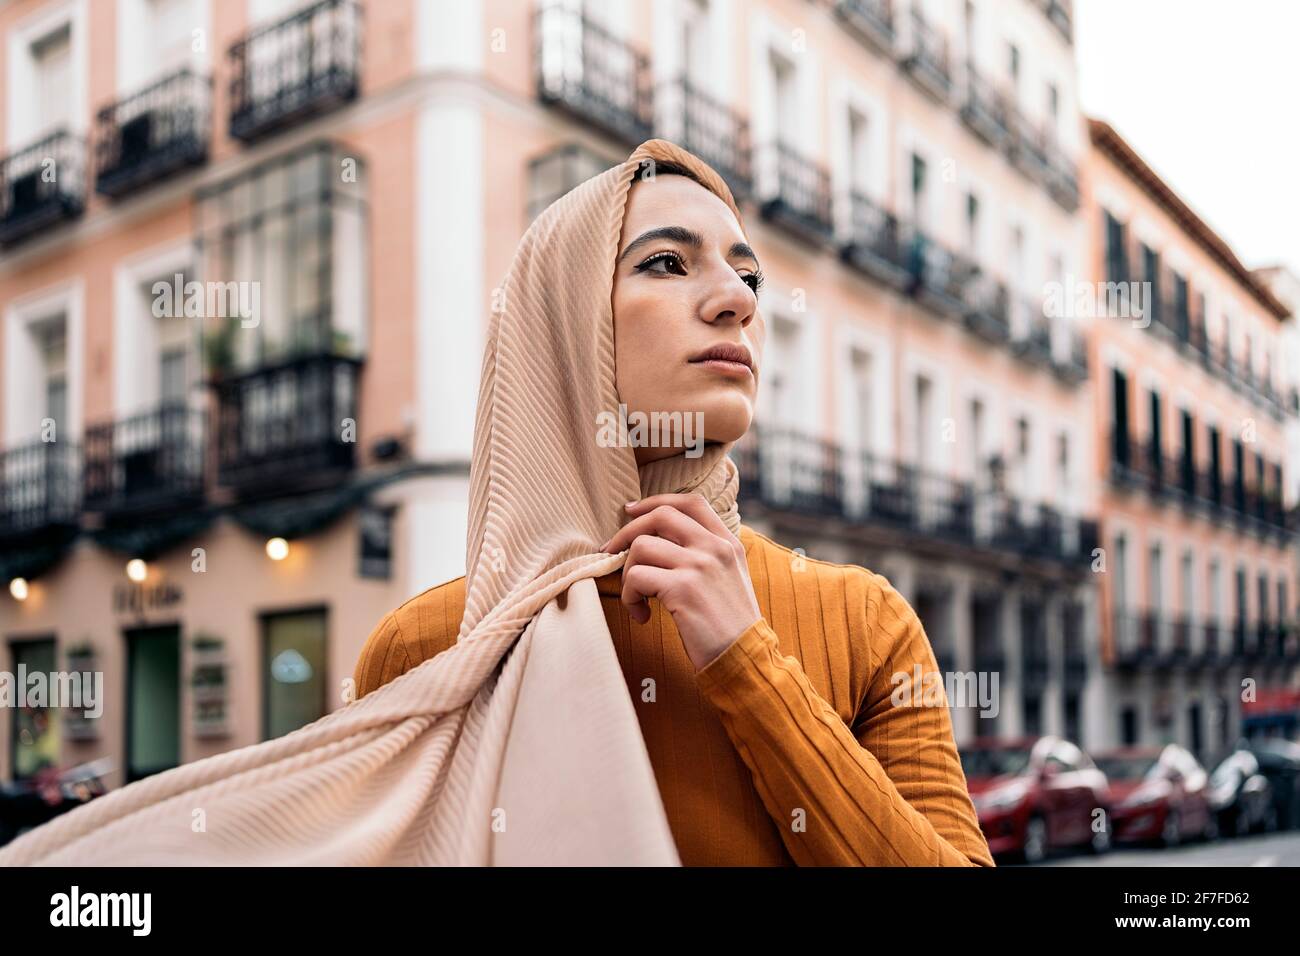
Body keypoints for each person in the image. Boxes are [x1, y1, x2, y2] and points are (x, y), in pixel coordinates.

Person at [354, 140, 994, 867]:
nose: (739, 300)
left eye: (748, 276)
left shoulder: (865, 622)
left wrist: (746, 658)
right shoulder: (424, 648)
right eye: (666, 262)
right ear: (563, 319)